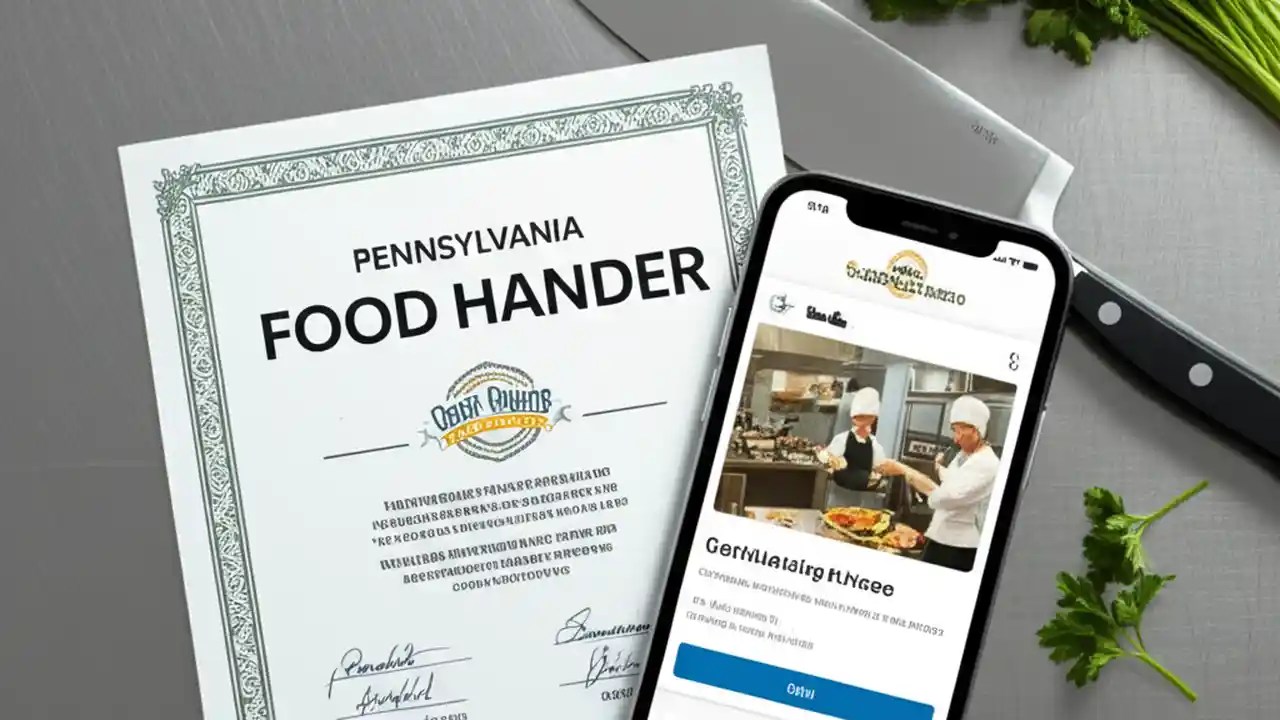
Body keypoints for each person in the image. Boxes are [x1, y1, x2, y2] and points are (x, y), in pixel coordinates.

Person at [879, 396, 999, 572]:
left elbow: (943, 499)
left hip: (958, 548)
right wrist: (939, 468)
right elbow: (954, 480)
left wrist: (904, 470)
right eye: (954, 431)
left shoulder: (987, 464)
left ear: (977, 431)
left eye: (960, 432)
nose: (956, 439)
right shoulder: (964, 456)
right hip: (939, 536)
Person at [817, 387, 895, 509]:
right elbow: (827, 461)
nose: (864, 423)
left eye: (868, 418)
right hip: (839, 497)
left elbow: (880, 468)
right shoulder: (841, 439)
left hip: (863, 501)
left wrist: (879, 476)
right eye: (860, 418)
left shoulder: (875, 445)